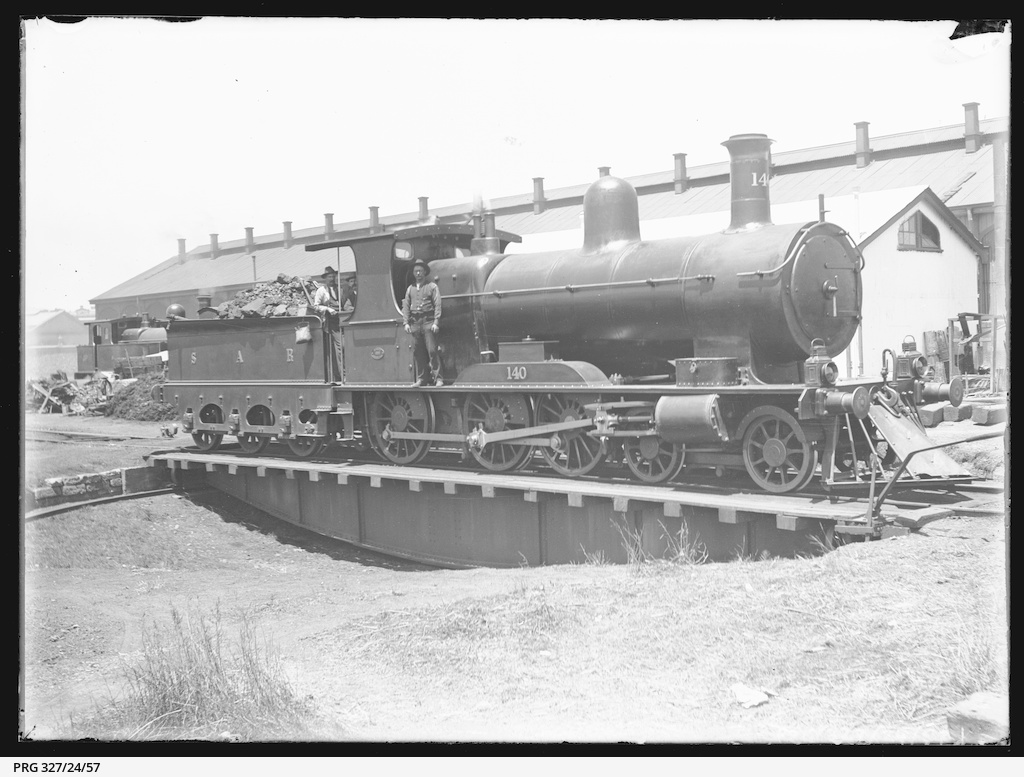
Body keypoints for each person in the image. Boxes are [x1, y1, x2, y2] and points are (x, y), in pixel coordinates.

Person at [402, 259, 443, 386]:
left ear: (424, 272)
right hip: (415, 323)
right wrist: (406, 323)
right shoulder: (410, 289)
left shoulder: (432, 287)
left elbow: (437, 304)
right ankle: (421, 379)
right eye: (416, 271)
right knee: (417, 351)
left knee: (432, 350)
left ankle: (439, 378)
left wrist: (436, 322)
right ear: (413, 273)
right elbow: (406, 306)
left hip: (428, 321)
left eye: (420, 271)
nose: (418, 273)